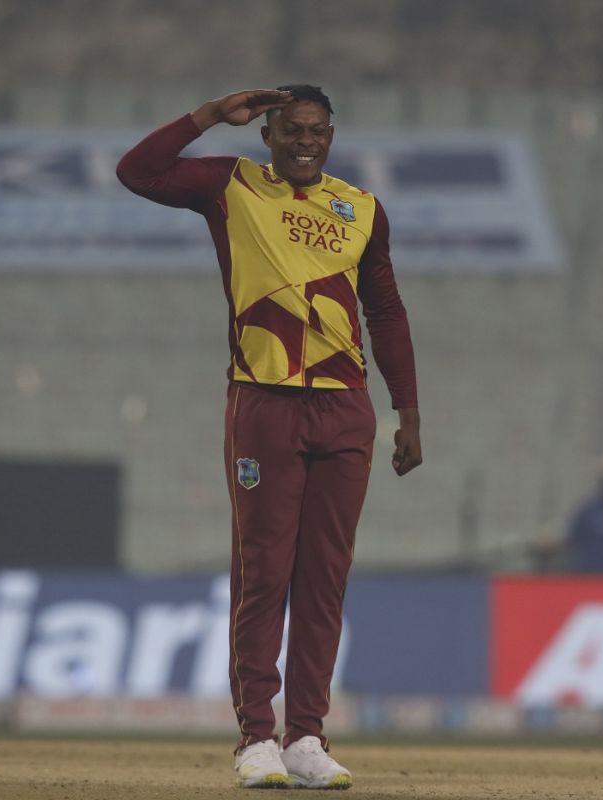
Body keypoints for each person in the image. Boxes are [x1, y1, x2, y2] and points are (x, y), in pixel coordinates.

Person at [117, 85, 422, 790]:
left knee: (326, 578)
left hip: (345, 408)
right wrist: (204, 116)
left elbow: (386, 310)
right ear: (268, 135)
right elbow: (137, 171)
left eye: (316, 131)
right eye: (290, 131)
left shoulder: (362, 209)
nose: (304, 142)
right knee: (265, 572)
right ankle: (256, 736)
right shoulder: (231, 185)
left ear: (332, 135)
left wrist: (408, 411)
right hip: (264, 402)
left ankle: (307, 736)